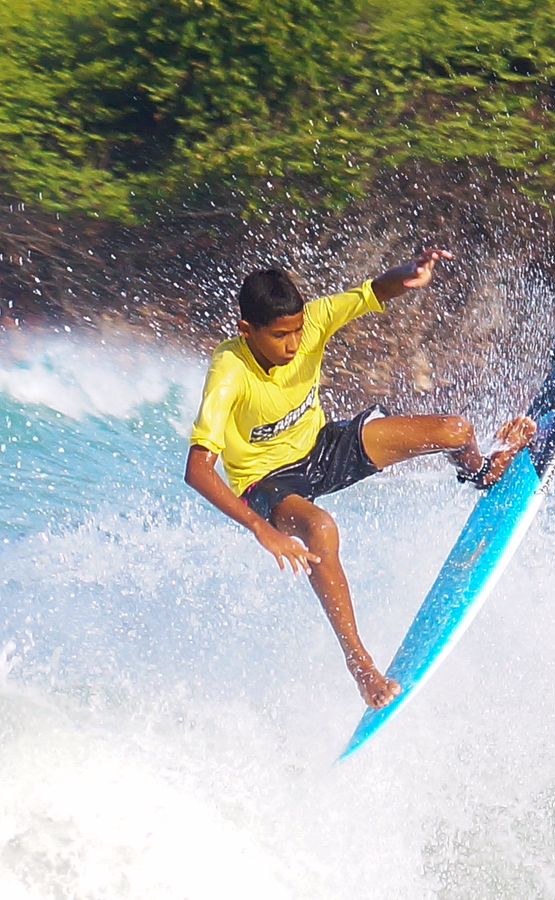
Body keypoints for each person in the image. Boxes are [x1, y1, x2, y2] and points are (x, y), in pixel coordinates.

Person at [183, 249, 535, 709]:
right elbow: (197, 469)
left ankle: (482, 473)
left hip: (322, 447)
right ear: (246, 331)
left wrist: (408, 274)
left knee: (456, 432)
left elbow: (371, 293)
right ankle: (362, 667)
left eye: (298, 331)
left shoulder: (312, 322)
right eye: (280, 336)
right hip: (266, 482)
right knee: (322, 527)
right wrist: (262, 529)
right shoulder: (229, 371)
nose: (293, 346)